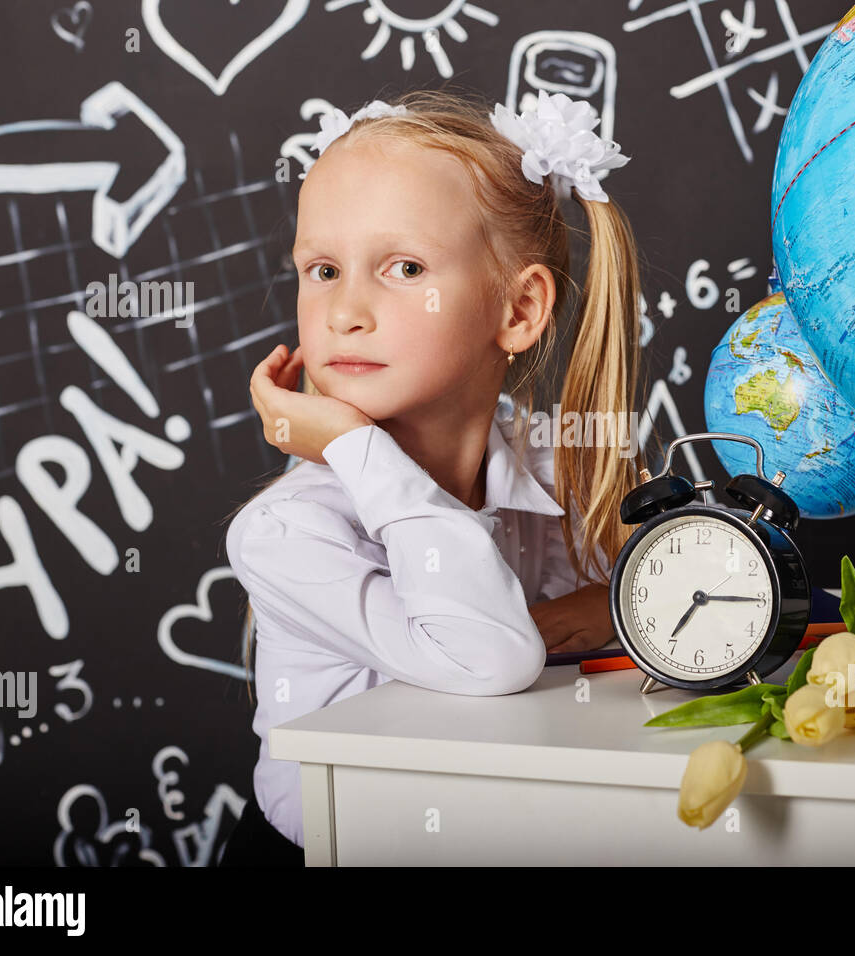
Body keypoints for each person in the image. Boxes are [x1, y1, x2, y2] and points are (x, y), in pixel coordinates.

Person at [218, 88, 649, 865]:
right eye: (322, 269)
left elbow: (673, 603)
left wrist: (567, 622)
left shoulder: (554, 468)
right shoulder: (285, 531)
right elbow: (494, 658)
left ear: (518, 310)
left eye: (404, 267)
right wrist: (353, 444)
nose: (345, 310)